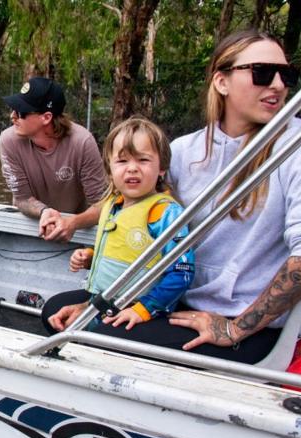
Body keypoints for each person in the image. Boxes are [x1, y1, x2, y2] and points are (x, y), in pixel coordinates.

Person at [47, 30, 301, 364]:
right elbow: (130, 199)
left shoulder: (300, 148)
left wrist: (236, 329)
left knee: (82, 331)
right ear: (222, 81)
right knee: (59, 311)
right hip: (178, 300)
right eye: (262, 73)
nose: (277, 85)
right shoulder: (186, 149)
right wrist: (74, 222)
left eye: (285, 75)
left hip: (240, 325)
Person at [43, 116, 194, 334]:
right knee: (54, 315)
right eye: (122, 161)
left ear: (161, 168)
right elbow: (126, 251)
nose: (132, 169)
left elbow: (183, 272)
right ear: (110, 169)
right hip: (106, 301)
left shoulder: (164, 213)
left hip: (141, 308)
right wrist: (90, 256)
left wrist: (143, 309)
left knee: (92, 333)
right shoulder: (114, 205)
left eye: (143, 160)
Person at [0, 77, 107, 242]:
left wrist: (72, 223)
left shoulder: (82, 142)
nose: (12, 116)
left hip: (77, 232)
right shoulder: (8, 140)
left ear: (46, 117)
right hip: (32, 225)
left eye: (20, 112)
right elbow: (22, 198)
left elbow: (102, 204)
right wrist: (45, 211)